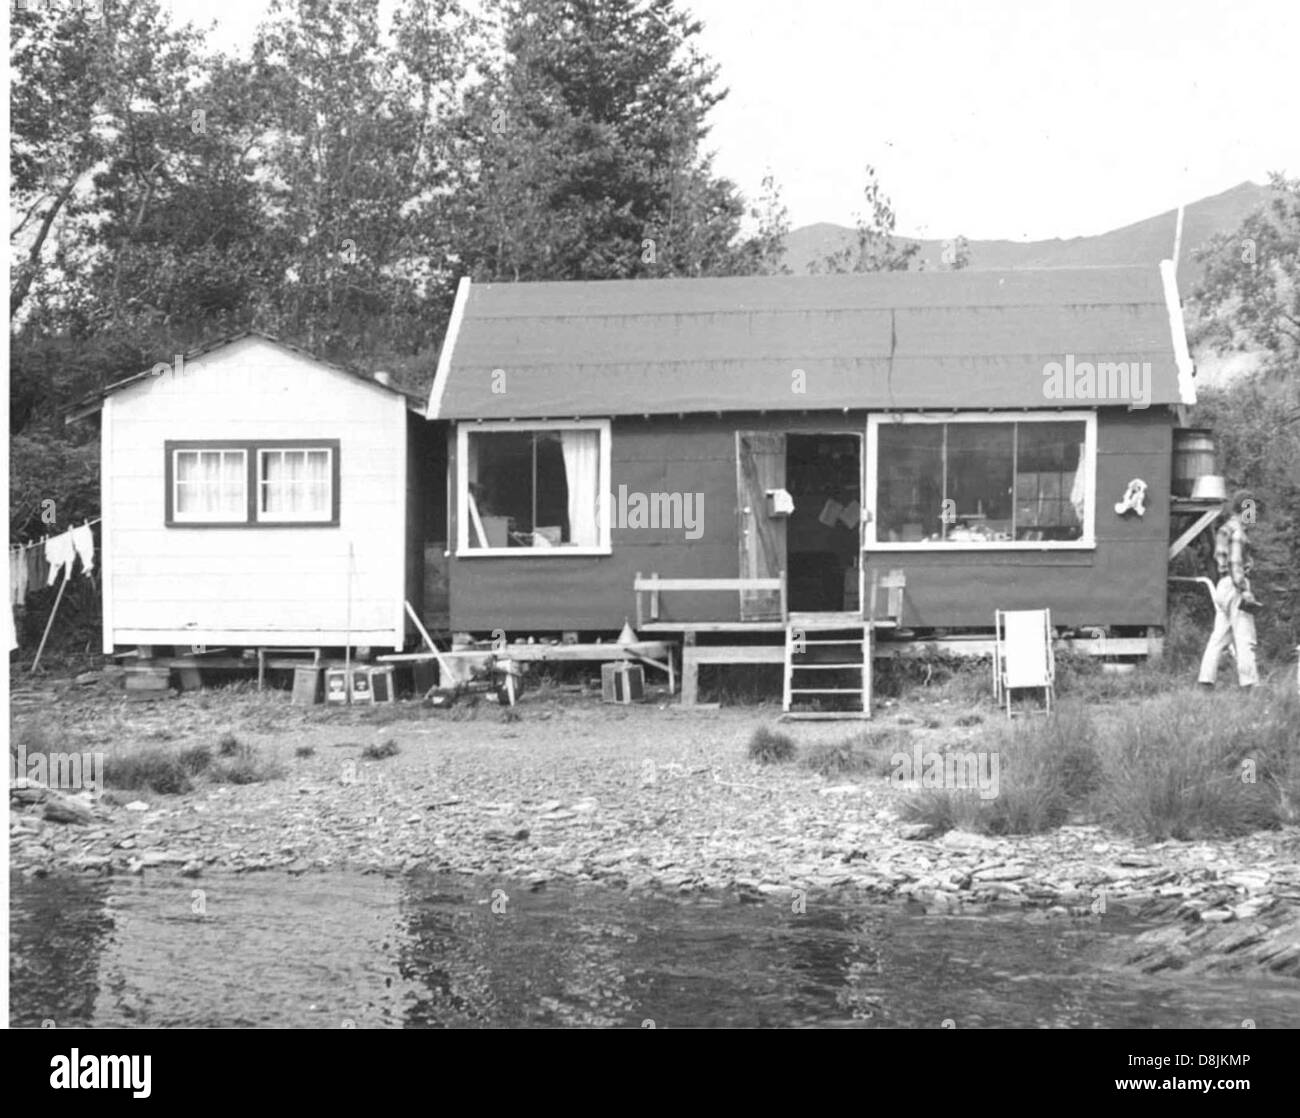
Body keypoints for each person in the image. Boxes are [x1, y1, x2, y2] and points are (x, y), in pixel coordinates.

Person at [1197, 489, 1260, 690]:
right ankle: (1250, 685)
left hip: (1222, 585)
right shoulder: (1238, 533)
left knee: (1219, 637)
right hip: (1235, 585)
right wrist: (1244, 590)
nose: (1254, 515)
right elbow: (1235, 563)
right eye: (1252, 510)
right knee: (1245, 638)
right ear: (1246, 509)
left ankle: (1205, 682)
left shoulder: (1225, 529)